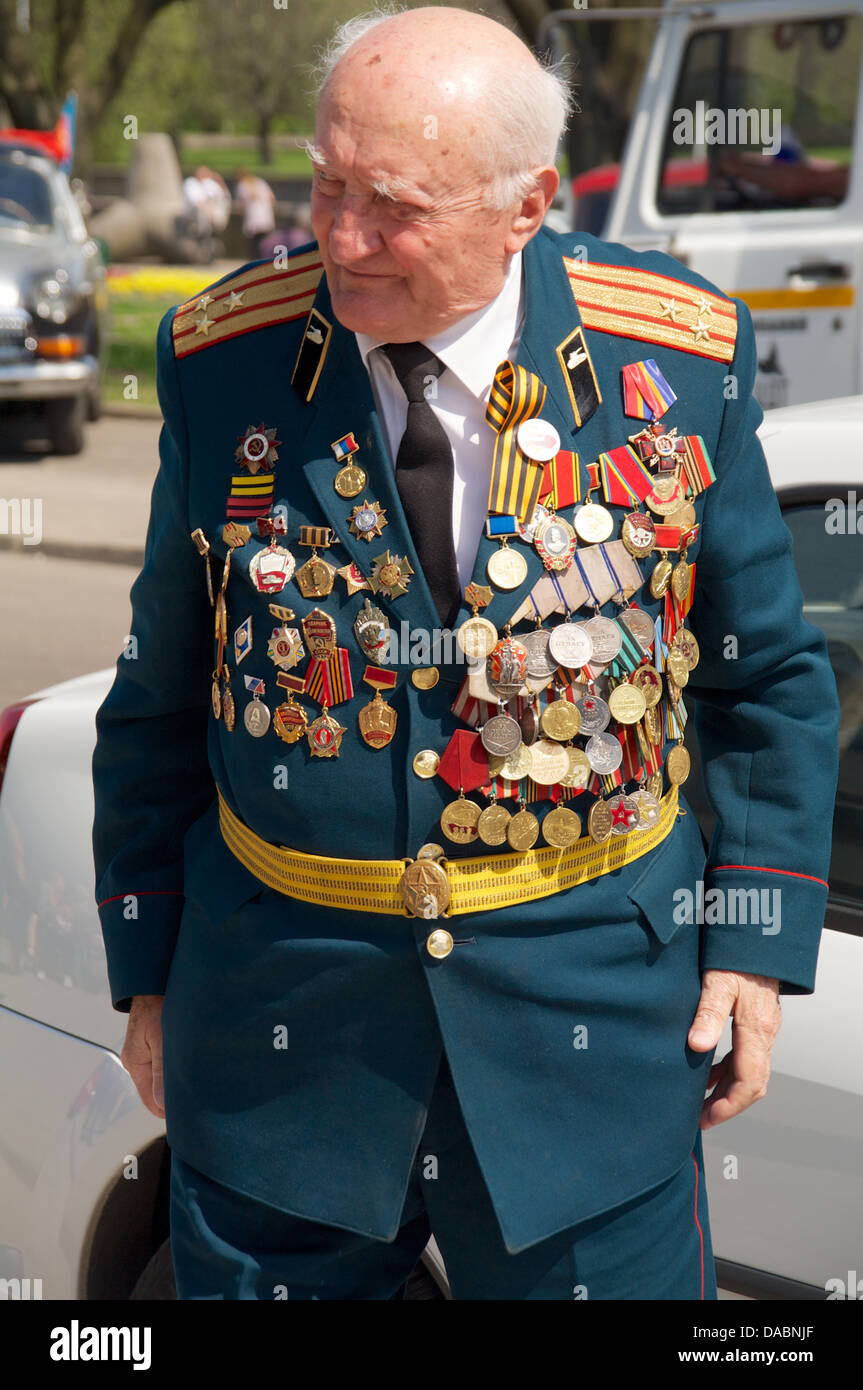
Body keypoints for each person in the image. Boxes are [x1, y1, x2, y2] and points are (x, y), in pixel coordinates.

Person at [91, 6, 840, 1301]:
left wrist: (752, 950)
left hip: (587, 1032)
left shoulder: (672, 351)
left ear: (525, 202)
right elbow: (159, 689)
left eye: (390, 205)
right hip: (285, 1037)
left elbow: (762, 675)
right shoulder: (229, 359)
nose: (338, 235)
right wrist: (147, 973)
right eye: (325, 184)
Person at [234, 167, 276, 258]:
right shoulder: (260, 182)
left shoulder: (242, 185)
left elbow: (241, 205)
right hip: (266, 215)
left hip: (253, 217)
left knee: (254, 245)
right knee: (264, 242)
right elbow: (272, 198)